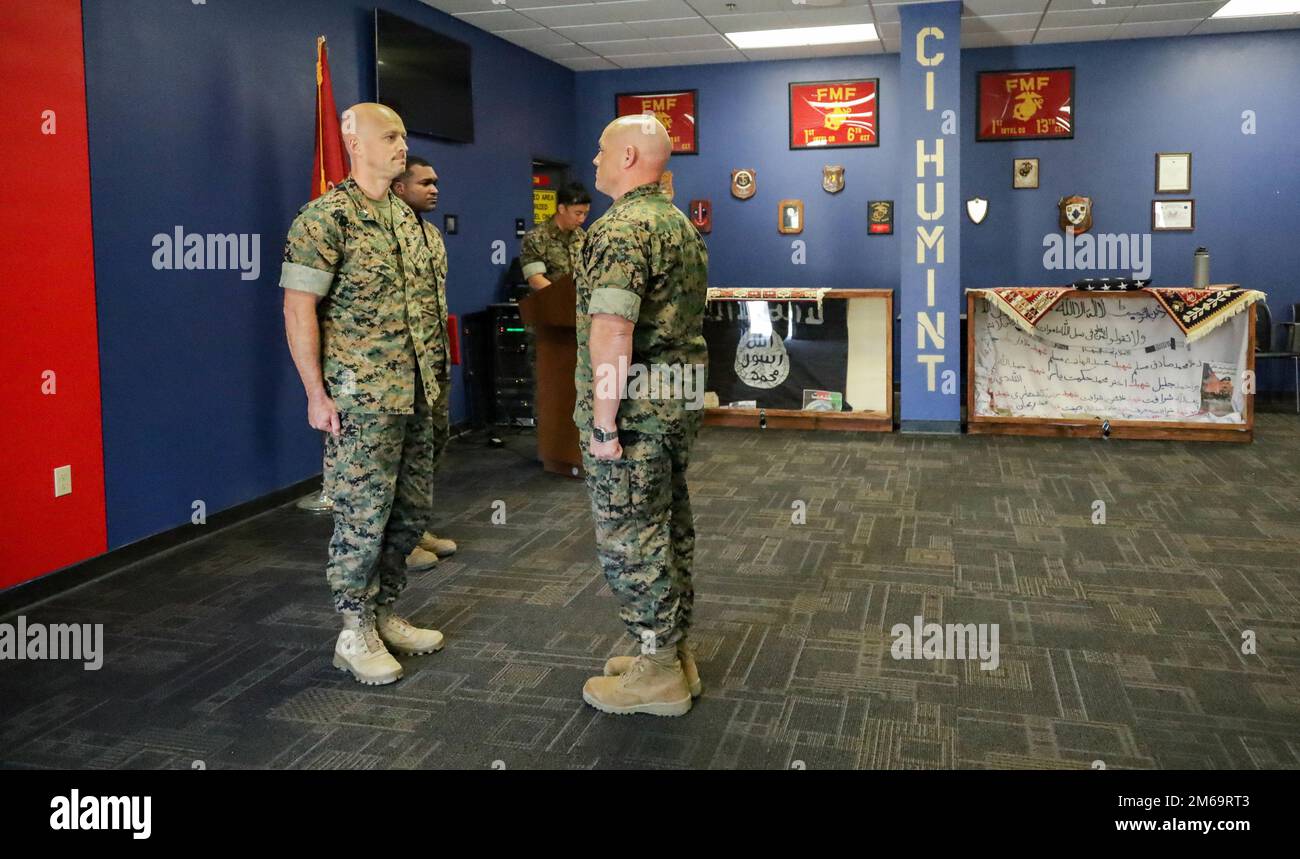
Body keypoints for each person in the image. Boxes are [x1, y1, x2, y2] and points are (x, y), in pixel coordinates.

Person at [280, 103, 446, 686]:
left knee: (409, 516)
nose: (402, 145)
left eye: (404, 134)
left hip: (419, 399)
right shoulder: (324, 219)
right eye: (390, 135)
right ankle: (352, 632)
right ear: (352, 140)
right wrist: (315, 394)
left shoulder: (410, 223)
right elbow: (299, 308)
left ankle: (383, 614)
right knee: (361, 518)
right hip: (361, 402)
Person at [575, 115, 709, 717]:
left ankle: (657, 671)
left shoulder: (621, 227)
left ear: (628, 156)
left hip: (634, 411)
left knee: (631, 538)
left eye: (602, 149)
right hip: (675, 401)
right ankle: (671, 653)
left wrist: (604, 424)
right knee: (668, 526)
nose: (595, 159)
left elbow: (612, 329)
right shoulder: (675, 222)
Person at [389, 155, 458, 574]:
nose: (434, 189)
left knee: (433, 442)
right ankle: (399, 541)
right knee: (403, 454)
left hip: (435, 361)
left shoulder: (431, 234)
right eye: (425, 183)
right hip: (400, 367)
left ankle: (415, 526)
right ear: (400, 187)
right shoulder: (385, 233)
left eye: (436, 182)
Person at [520, 182, 590, 291]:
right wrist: (565, 298)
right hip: (549, 304)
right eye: (578, 213)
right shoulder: (536, 238)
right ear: (562, 209)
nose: (582, 219)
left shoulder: (583, 237)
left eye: (585, 214)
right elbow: (536, 280)